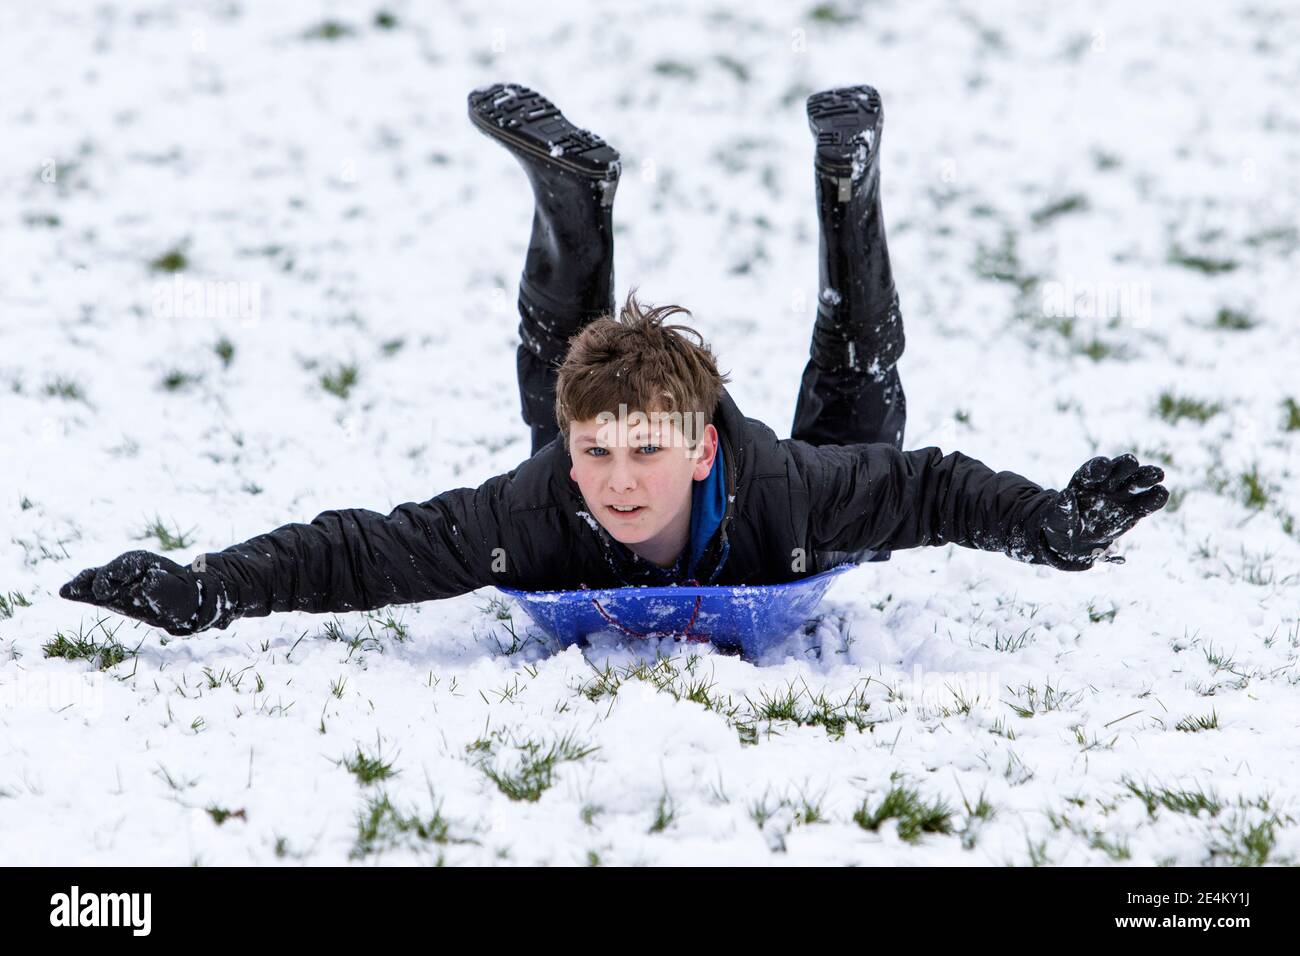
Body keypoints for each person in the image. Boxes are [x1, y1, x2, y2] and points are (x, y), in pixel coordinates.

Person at [60, 83, 1169, 638]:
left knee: (858, 413)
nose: (623, 477)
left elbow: (932, 487)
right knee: (566, 378)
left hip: (795, 495)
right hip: (631, 465)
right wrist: (208, 583)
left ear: (699, 448)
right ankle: (570, 198)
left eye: (647, 448)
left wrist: (1050, 527)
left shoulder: (790, 496)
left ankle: (851, 195)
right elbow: (363, 551)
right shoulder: (541, 500)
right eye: (601, 453)